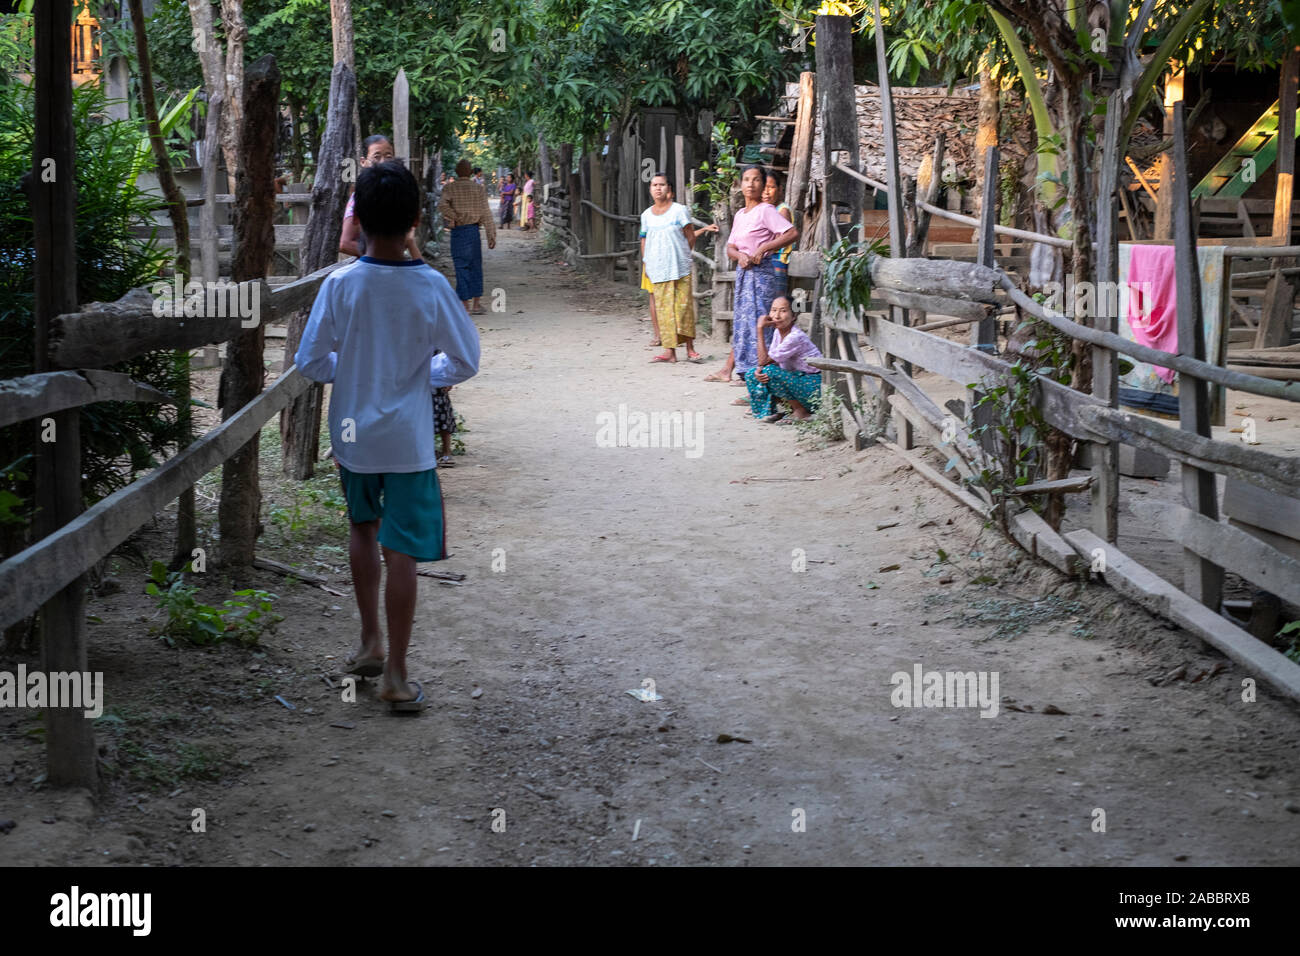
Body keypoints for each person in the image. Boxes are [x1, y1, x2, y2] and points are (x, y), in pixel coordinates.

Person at [295, 160, 481, 712]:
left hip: (354, 436)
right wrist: (421, 376)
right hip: (409, 440)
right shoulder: (430, 287)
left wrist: (352, 371)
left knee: (362, 529)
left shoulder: (341, 284)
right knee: (402, 554)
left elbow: (310, 361)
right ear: (415, 220)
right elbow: (465, 359)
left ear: (361, 219)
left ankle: (368, 640)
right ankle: (396, 675)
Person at [705, 166, 797, 385]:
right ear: (741, 184)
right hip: (745, 275)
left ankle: (763, 378)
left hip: (763, 276)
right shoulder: (740, 214)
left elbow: (791, 233)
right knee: (743, 325)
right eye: (746, 179)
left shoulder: (766, 211)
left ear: (762, 184)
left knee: (762, 322)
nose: (750, 184)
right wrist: (739, 256)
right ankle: (746, 374)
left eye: (756, 180)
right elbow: (730, 247)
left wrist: (764, 247)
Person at [640, 172, 706, 363]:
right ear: (650, 189)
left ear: (668, 188)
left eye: (662, 185)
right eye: (654, 185)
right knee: (664, 310)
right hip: (657, 268)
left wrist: (684, 255)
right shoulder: (646, 215)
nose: (658, 188)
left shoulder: (679, 210)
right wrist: (647, 261)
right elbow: (644, 240)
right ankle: (669, 351)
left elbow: (690, 235)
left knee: (683, 308)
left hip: (679, 267)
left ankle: (690, 348)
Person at [339, 135, 423, 261]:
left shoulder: (398, 193)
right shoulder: (360, 197)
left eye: (388, 157)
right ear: (363, 162)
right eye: (376, 157)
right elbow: (345, 243)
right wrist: (381, 257)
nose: (383, 162)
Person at [743, 294, 822, 422]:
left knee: (769, 372)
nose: (777, 316)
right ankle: (778, 410)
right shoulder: (778, 332)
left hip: (813, 387)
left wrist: (759, 329)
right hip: (797, 382)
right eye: (774, 310)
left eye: (783, 311)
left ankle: (801, 411)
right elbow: (766, 362)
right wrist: (759, 369)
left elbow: (764, 361)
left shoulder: (795, 337)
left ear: (794, 316)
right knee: (752, 374)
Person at [439, 158, 497, 314]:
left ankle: (464, 305)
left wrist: (455, 217)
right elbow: (486, 213)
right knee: (475, 266)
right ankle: (476, 305)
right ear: (471, 172)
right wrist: (491, 235)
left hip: (458, 231)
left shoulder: (450, 188)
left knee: (461, 267)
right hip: (473, 232)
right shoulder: (478, 189)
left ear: (457, 172)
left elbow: (442, 206)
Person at [764, 171, 795, 283]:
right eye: (763, 188)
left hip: (777, 260)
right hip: (767, 259)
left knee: (777, 298)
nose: (766, 192)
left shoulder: (782, 210)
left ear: (780, 189)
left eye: (771, 187)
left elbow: (782, 239)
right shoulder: (766, 209)